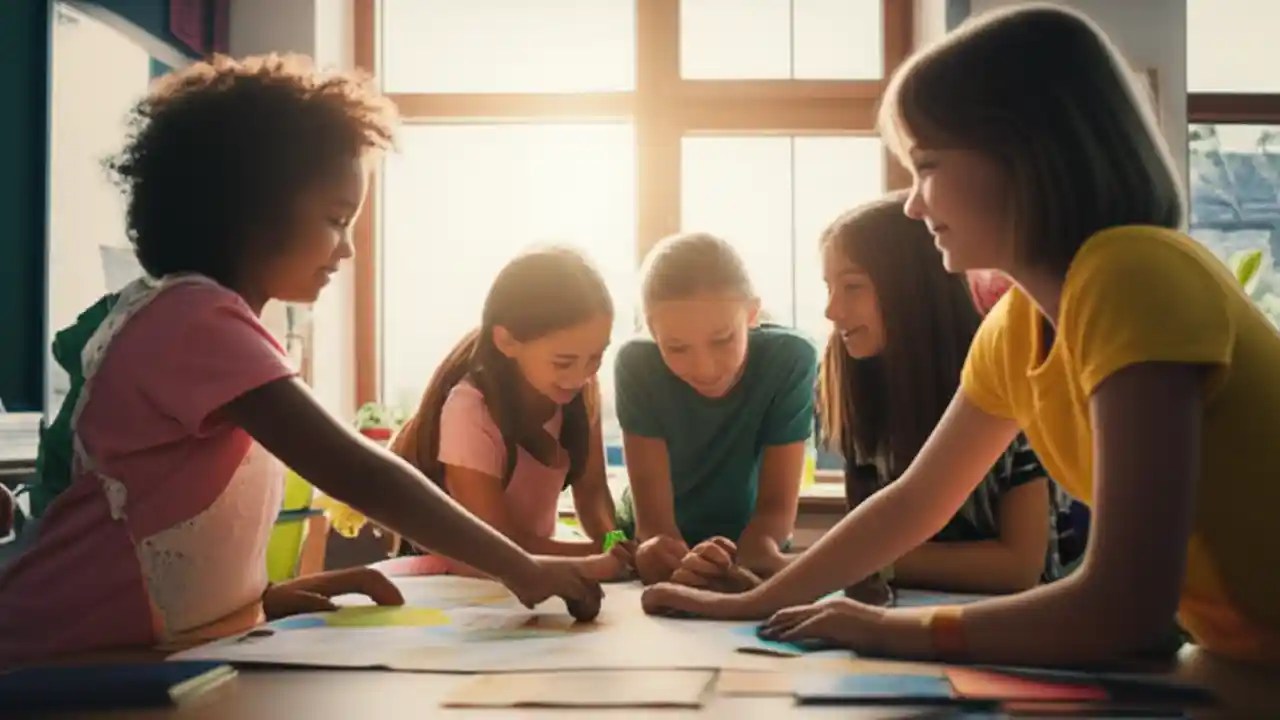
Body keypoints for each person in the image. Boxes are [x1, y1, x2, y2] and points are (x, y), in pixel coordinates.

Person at [641, 4, 1280, 666]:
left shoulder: (1131, 273)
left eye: (928, 165)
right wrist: (752, 603)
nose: (915, 203)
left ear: (1025, 152)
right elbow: (913, 503)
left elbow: (1125, 606)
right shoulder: (1017, 324)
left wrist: (885, 630)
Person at [0, 55, 598, 668]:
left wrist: (260, 599)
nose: (348, 248)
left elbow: (168, 515)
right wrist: (519, 567)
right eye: (336, 220)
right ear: (249, 210)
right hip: (52, 659)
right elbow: (357, 471)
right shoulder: (193, 318)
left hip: (138, 656)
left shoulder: (206, 324)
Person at [669, 195, 1062, 597]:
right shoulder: (859, 390)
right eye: (828, 287)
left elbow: (1019, 567)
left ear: (911, 286)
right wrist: (755, 585)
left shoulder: (1007, 374)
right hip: (923, 614)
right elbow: (868, 567)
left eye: (851, 286)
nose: (831, 310)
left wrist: (825, 564)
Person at [390, 247, 632, 581]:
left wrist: (615, 544)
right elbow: (496, 542)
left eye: (596, 357)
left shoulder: (581, 389)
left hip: (535, 572)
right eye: (564, 361)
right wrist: (600, 556)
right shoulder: (470, 409)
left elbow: (592, 494)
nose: (581, 375)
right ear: (507, 341)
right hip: (465, 577)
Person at [615, 232, 816, 584]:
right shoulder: (637, 366)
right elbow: (654, 524)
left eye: (722, 340)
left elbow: (775, 511)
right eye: (676, 347)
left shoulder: (790, 360)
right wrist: (659, 551)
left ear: (752, 314)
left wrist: (755, 553)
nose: (704, 368)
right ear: (652, 331)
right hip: (649, 545)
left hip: (752, 539)